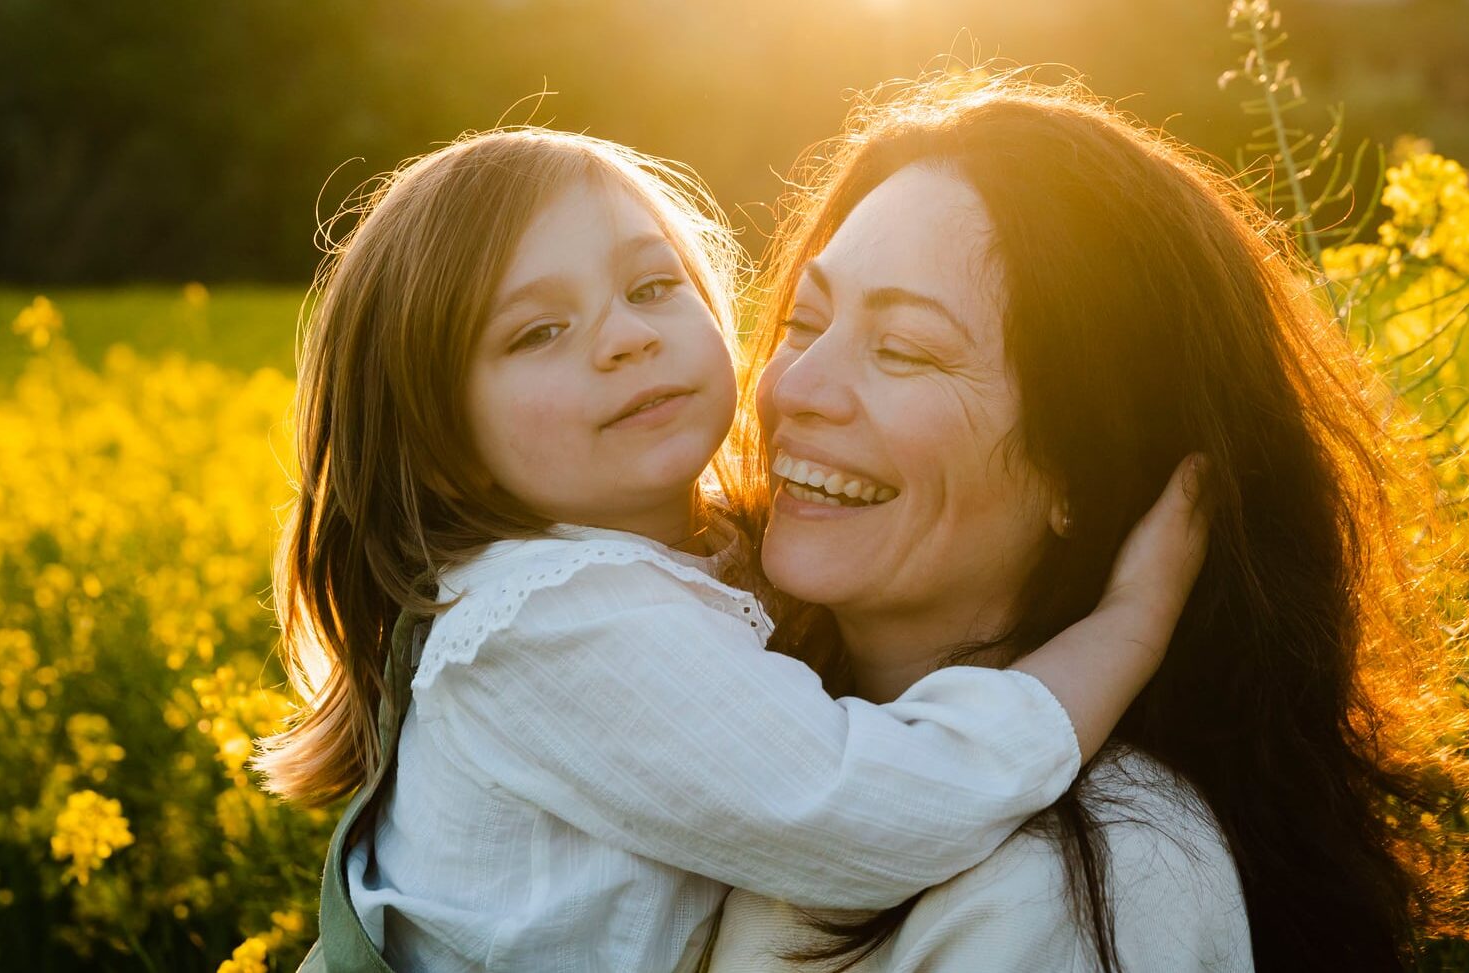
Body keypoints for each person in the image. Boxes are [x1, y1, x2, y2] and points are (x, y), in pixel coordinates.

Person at [250, 126, 1212, 972]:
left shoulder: (1100, 886)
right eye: (539, 331)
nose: (625, 335)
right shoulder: (554, 617)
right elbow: (871, 808)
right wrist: (1125, 630)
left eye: (652, 285)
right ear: (443, 452)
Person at [708, 70, 1469, 972]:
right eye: (806, 324)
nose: (795, 389)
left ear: (1083, 471)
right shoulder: (711, 696)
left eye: (905, 350)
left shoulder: (1095, 882)